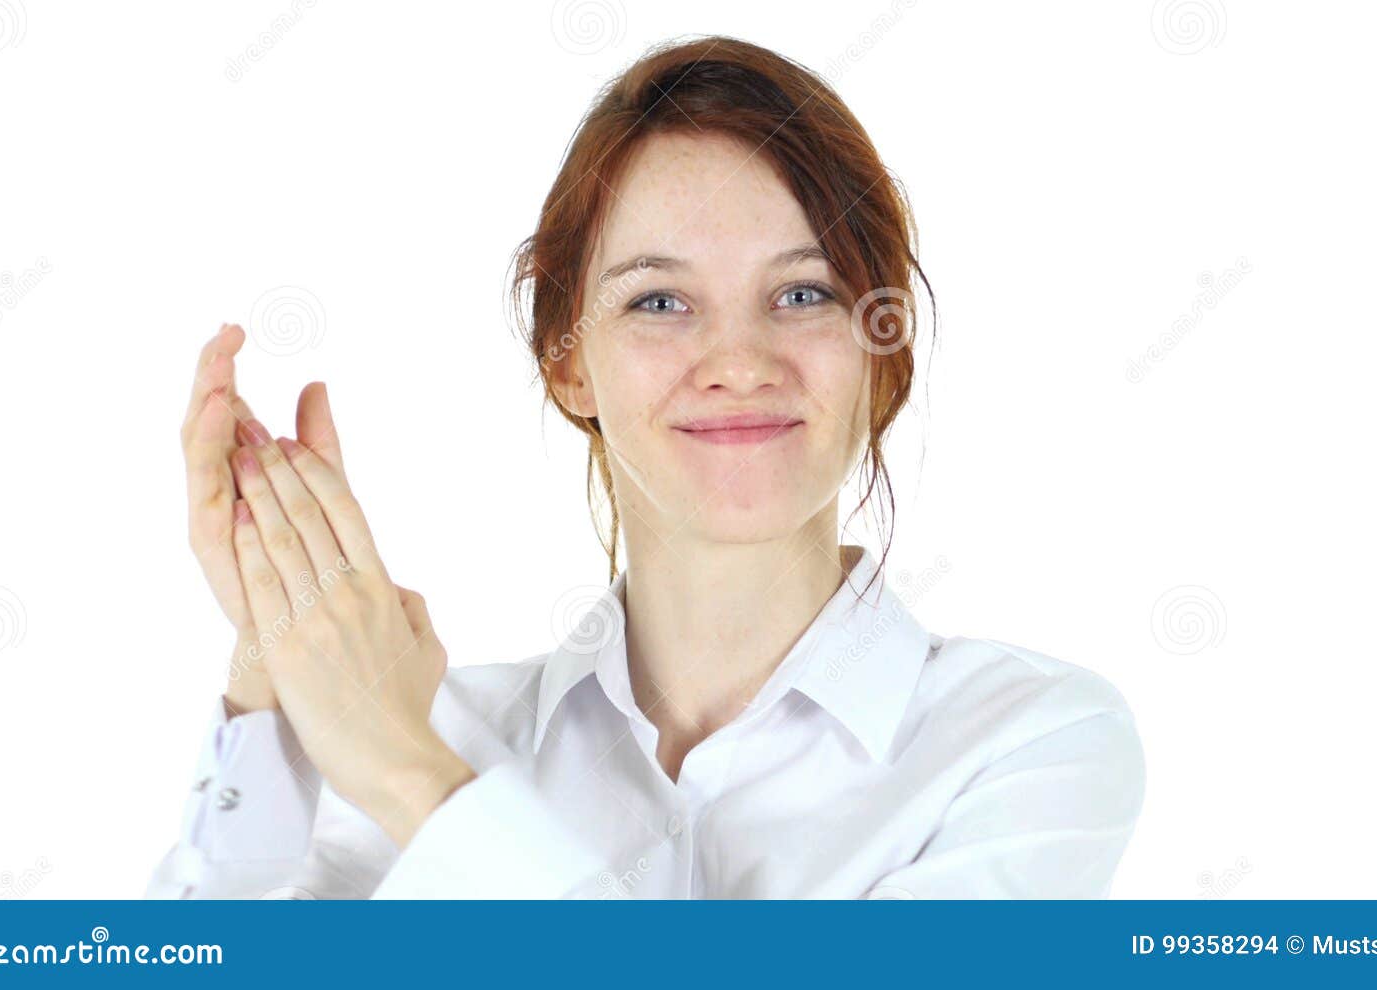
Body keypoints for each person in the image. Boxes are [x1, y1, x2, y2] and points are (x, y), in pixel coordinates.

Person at [150, 35, 1144, 899]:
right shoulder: (430, 720)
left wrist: (413, 780)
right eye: (659, 303)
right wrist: (277, 670)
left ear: (879, 343)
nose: (741, 364)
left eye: (802, 294)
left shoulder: (1027, 745)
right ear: (567, 358)